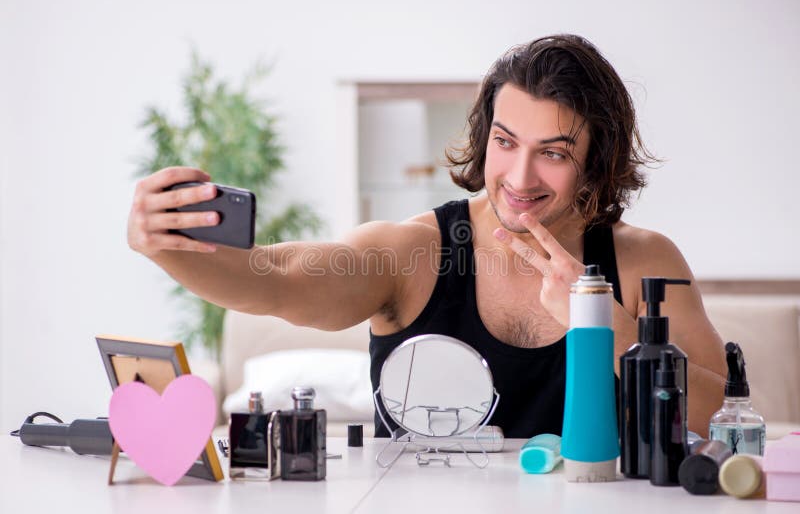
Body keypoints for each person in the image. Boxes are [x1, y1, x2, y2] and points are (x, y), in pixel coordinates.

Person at [127, 34, 726, 437]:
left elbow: (721, 416)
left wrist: (605, 327)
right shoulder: (414, 252)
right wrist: (164, 246)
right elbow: (278, 277)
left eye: (553, 153)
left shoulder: (644, 261)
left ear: (597, 160)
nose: (519, 177)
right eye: (505, 142)